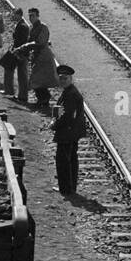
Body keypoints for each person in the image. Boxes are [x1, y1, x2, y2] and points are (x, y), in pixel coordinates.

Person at [52, 64, 86, 195]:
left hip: (67, 132)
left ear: (71, 79)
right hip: (72, 132)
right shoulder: (69, 91)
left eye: (65, 78)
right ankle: (70, 188)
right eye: (61, 78)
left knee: (63, 161)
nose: (62, 81)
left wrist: (54, 125)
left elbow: (67, 116)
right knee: (71, 159)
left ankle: (66, 189)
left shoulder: (70, 94)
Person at [0, 7, 29, 102]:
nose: (13, 16)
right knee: (11, 69)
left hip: (20, 53)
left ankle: (22, 95)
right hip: (18, 52)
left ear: (19, 14)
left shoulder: (23, 26)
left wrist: (16, 50)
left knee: (21, 74)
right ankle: (11, 91)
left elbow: (22, 40)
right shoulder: (20, 24)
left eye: (14, 14)